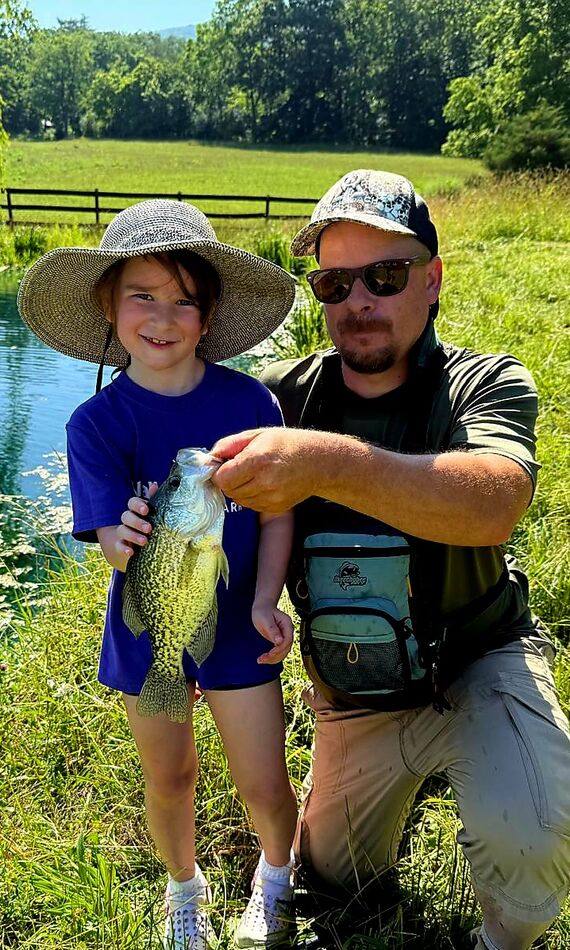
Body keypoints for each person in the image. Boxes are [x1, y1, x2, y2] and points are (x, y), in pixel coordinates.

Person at [210, 169, 570, 950]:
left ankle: (502, 929)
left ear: (432, 279)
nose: (358, 302)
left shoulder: (485, 381)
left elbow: (495, 502)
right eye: (334, 284)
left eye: (385, 276)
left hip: (478, 662)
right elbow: (182, 447)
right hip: (355, 694)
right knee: (334, 882)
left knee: (534, 847)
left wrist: (323, 464)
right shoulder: (278, 398)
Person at [17, 199, 300, 950]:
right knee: (169, 778)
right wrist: (120, 537)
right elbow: (110, 542)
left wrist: (266, 599)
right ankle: (184, 888)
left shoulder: (251, 402)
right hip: (150, 628)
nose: (163, 317)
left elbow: (277, 513)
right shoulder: (95, 423)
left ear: (208, 318)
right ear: (108, 307)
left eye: (183, 301)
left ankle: (277, 877)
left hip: (237, 628)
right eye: (142, 295)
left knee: (263, 781)